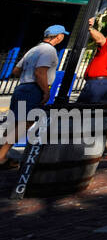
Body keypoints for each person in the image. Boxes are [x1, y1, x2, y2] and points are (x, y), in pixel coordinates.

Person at [0, 25, 66, 165]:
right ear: (58, 36)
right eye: (62, 35)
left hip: (22, 87)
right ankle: (1, 156)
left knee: (14, 123)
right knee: (24, 123)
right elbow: (40, 72)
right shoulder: (50, 51)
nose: (63, 38)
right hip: (33, 89)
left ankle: (2, 154)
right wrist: (46, 91)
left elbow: (16, 71)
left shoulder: (34, 49)